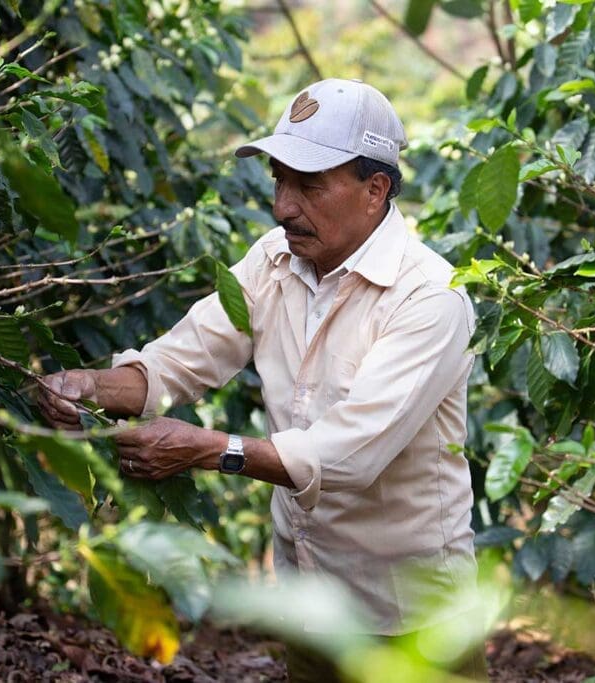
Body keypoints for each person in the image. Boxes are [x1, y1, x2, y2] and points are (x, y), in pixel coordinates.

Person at [39, 78, 483, 680]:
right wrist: (90, 387)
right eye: (279, 180)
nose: (283, 206)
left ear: (375, 190)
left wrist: (206, 449)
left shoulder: (429, 298)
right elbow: (179, 364)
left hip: (411, 619)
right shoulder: (273, 261)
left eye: (309, 186)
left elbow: (350, 455)